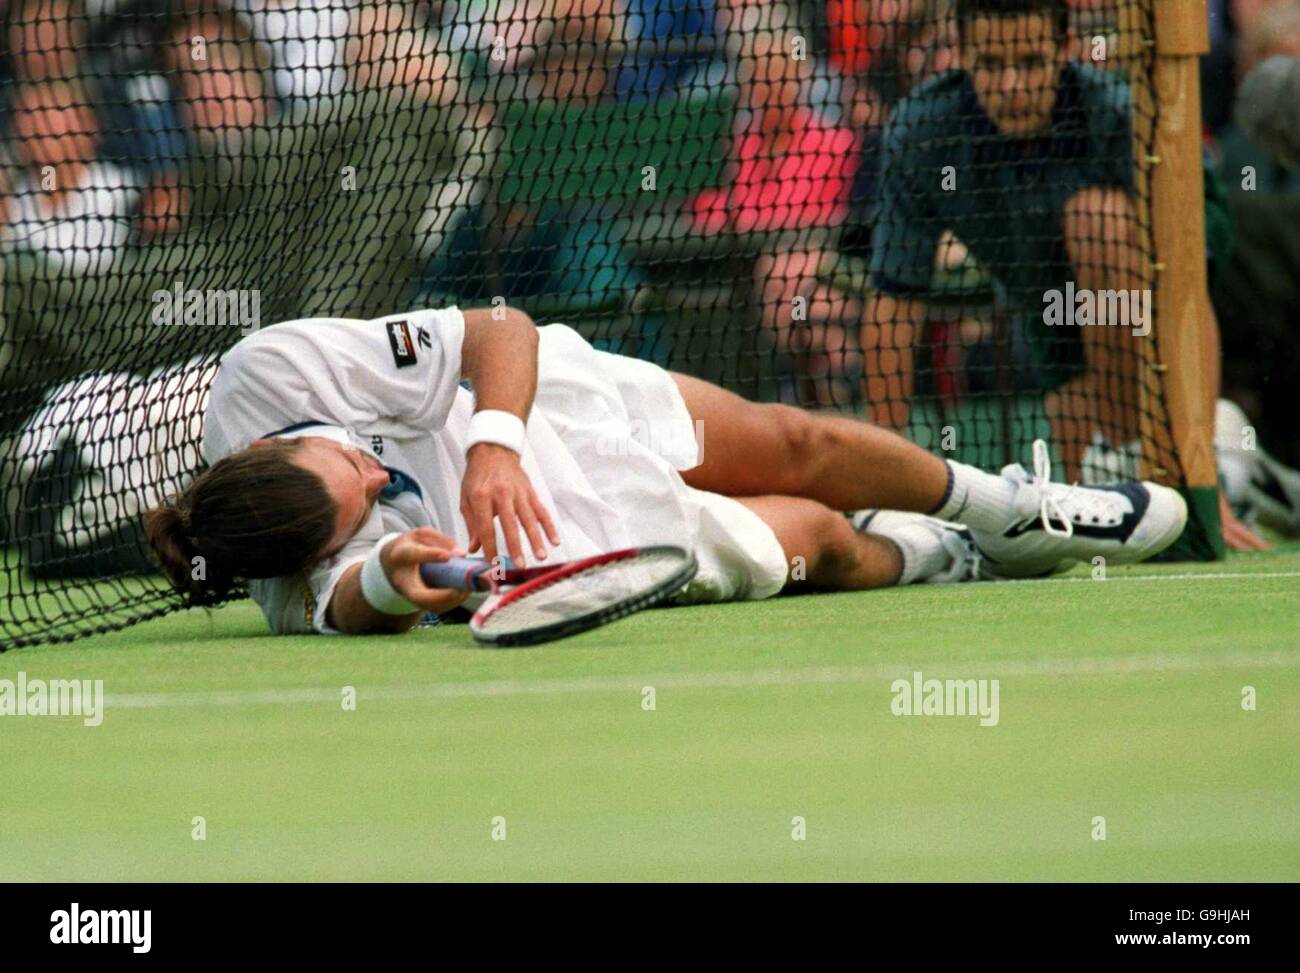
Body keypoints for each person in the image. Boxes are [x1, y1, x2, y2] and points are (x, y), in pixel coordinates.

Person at [144, 304, 1187, 636]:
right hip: (571, 541)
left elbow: (497, 325)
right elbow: (345, 603)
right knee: (818, 543)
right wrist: (389, 571)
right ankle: (948, 553)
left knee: (795, 442)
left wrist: (493, 445)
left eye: (349, 465)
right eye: (353, 515)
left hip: (544, 403)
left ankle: (1010, 506)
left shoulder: (268, 369)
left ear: (268, 440)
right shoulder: (290, 575)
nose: (373, 483)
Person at [861, 0, 1143, 481]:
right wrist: (881, 474)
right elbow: (894, 298)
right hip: (1051, 311)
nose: (1012, 87)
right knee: (1089, 494)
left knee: (1097, 221)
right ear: (963, 55)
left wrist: (1196, 471)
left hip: (1154, 300)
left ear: (1065, 49)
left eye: (1031, 63)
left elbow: (1185, 293)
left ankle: (1142, 450)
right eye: (991, 64)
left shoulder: (1115, 117)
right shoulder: (922, 131)